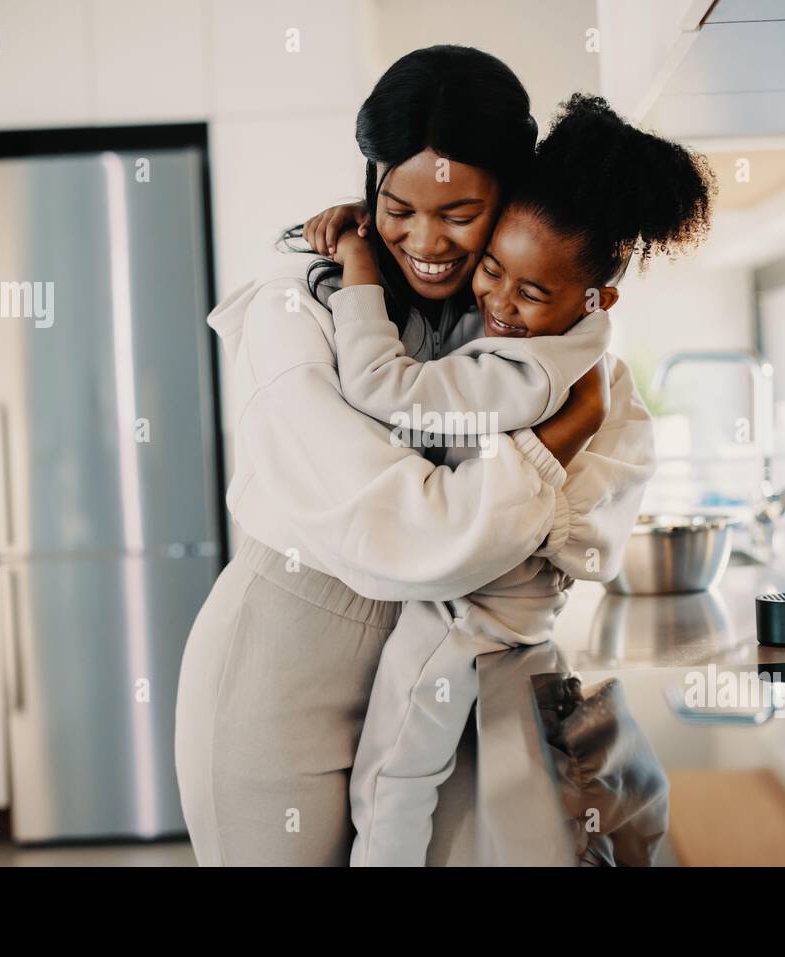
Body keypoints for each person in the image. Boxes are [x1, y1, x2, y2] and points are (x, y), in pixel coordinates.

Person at [175, 47, 615, 866]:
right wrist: (558, 439)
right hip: (281, 671)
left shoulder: (507, 313)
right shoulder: (295, 309)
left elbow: (600, 472)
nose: (425, 240)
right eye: (398, 206)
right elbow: (407, 537)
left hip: (430, 683)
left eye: (458, 212)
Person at [322, 92, 714, 865]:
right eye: (493, 270)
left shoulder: (531, 375)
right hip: (509, 607)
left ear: (597, 298)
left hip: (467, 613)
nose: (498, 301)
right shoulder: (569, 348)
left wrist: (359, 263)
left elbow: (383, 387)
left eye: (531, 293)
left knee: (393, 774)